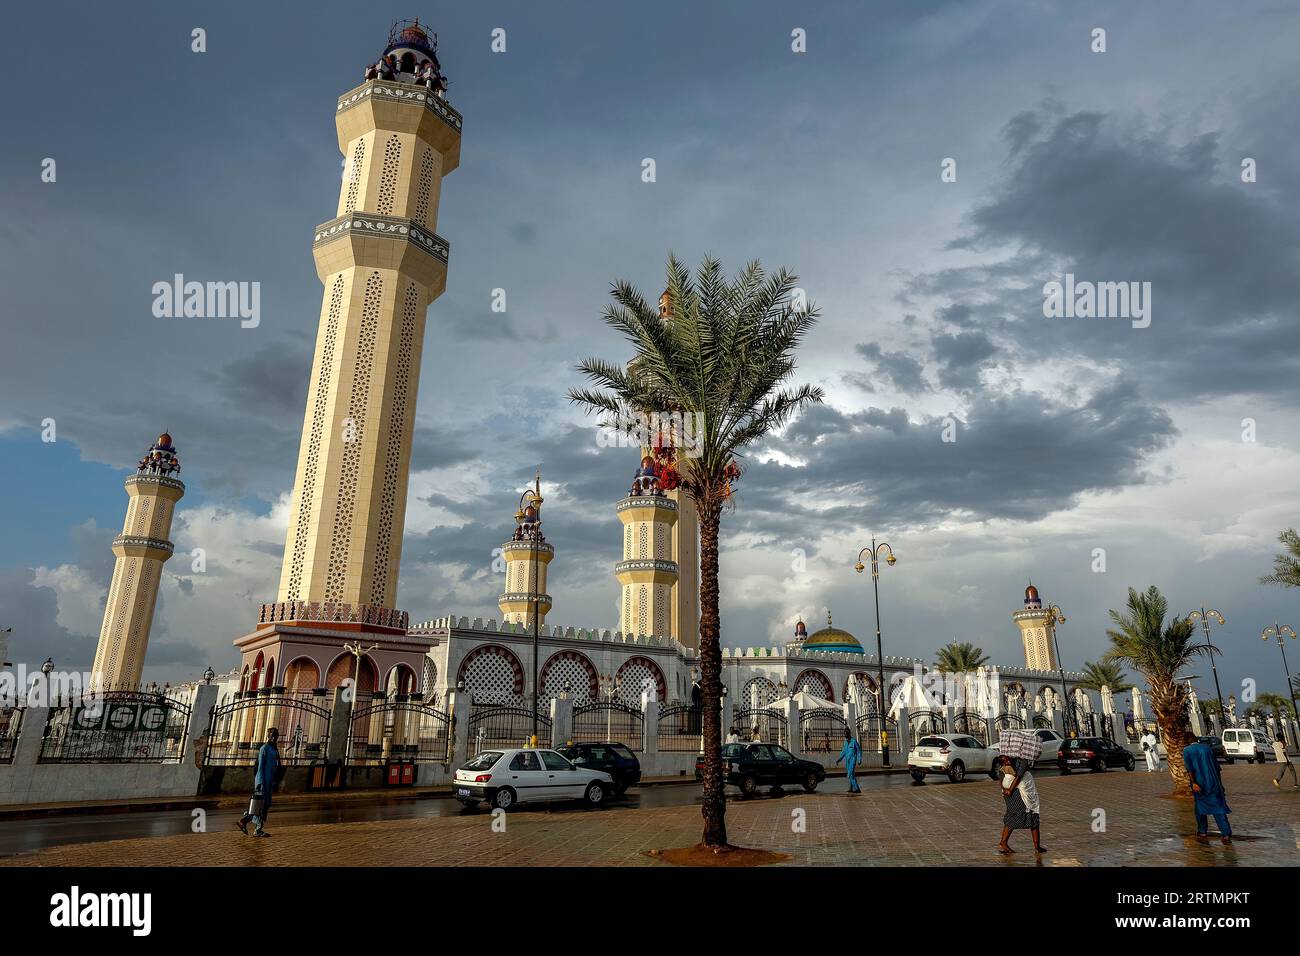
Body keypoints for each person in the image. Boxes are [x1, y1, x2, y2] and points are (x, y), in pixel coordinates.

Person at [1182, 738, 1231, 844]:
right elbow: (1217, 767)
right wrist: (1220, 783)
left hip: (1199, 782)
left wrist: (1194, 782)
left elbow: (1190, 769)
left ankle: (1202, 830)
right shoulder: (1207, 748)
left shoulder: (1187, 750)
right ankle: (1226, 833)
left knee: (1200, 807)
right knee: (1218, 807)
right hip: (1213, 781)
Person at [996, 754, 1045, 854]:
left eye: (1007, 760)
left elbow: (1019, 775)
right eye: (1004, 761)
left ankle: (1037, 846)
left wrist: (1007, 789)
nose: (1007, 762)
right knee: (1016, 815)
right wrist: (1006, 789)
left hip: (1019, 790)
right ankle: (1003, 843)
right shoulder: (1016, 760)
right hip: (1017, 793)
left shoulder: (1021, 759)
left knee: (1032, 815)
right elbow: (1010, 776)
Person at [236, 727, 280, 838]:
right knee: (258, 805)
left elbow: (276, 766)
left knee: (264, 806)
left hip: (270, 781)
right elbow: (260, 767)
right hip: (262, 781)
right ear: (269, 736)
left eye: (275, 736)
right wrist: (260, 782)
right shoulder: (264, 748)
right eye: (272, 735)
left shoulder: (274, 749)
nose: (274, 738)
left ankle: (257, 829)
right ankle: (244, 821)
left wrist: (275, 780)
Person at [836, 729, 862, 794]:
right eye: (844, 734)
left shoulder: (854, 741)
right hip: (847, 760)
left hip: (852, 760)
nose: (845, 735)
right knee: (852, 774)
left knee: (850, 774)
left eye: (846, 733)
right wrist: (839, 759)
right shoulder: (845, 742)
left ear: (849, 733)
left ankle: (857, 788)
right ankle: (851, 788)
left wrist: (859, 760)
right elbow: (843, 751)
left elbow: (859, 751)